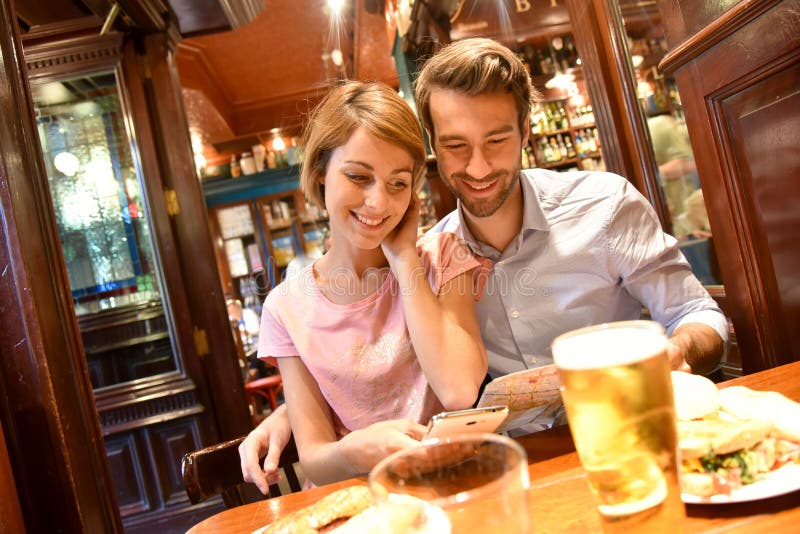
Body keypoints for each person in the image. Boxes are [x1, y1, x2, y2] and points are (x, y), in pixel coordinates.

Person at [241, 37, 727, 491]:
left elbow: (697, 317)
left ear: (526, 131)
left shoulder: (601, 206)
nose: (477, 168)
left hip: (627, 433)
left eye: (496, 140)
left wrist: (675, 351)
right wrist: (299, 411)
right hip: (509, 471)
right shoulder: (434, 257)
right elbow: (376, 359)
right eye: (455, 146)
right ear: (432, 147)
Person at [241, 81, 487, 488]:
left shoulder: (443, 257)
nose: (378, 203)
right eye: (359, 177)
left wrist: (405, 258)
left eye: (398, 183)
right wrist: (356, 449)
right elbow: (316, 459)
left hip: (453, 487)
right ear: (321, 173)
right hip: (359, 503)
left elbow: (460, 390)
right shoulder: (286, 308)